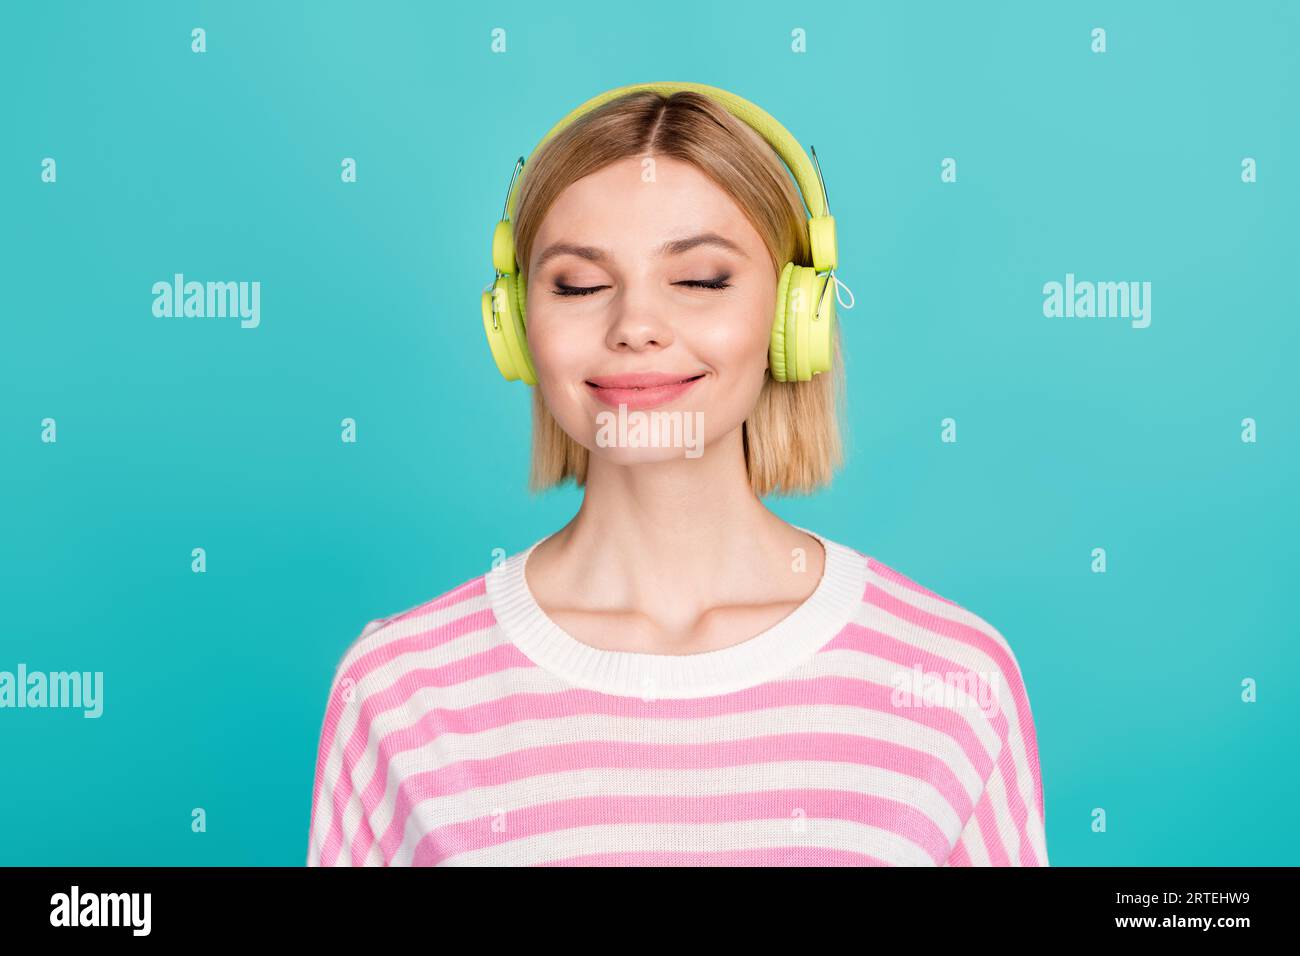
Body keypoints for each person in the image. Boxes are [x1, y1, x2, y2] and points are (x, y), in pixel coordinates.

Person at [307, 82, 1047, 866]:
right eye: (581, 286)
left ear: (798, 315)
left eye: (699, 280)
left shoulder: (952, 679)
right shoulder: (397, 690)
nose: (635, 328)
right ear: (519, 329)